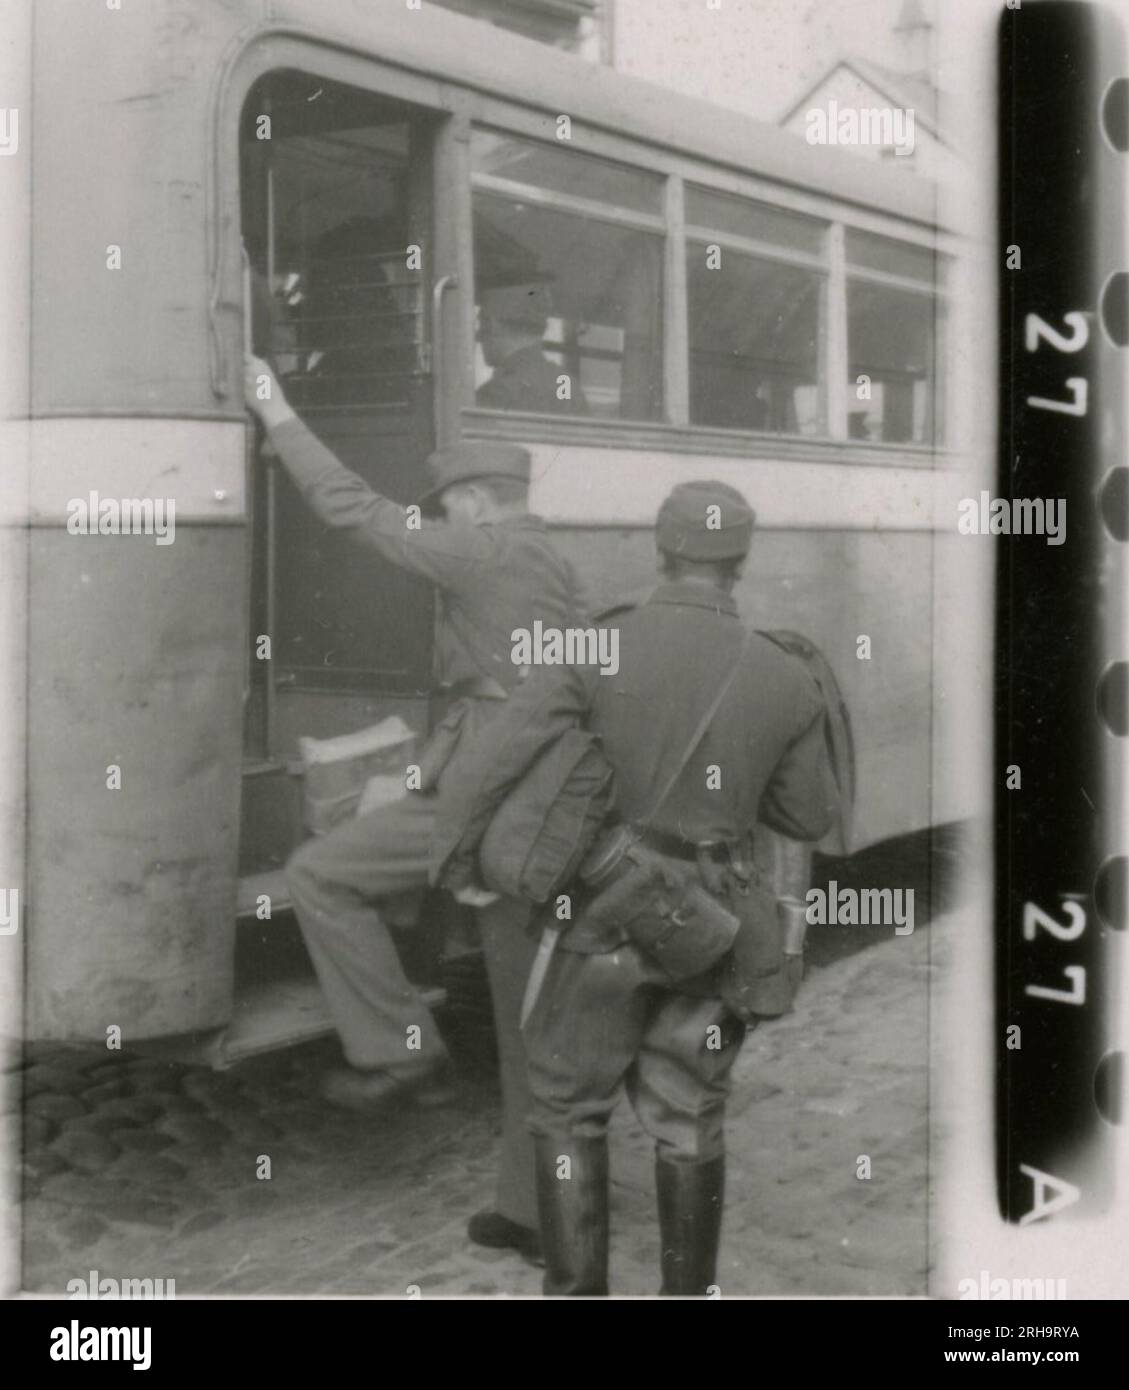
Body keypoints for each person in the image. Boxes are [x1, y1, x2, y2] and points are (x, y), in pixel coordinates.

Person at [429, 481, 839, 1295]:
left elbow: (490, 764)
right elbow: (808, 814)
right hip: (714, 923)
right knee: (689, 1119)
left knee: (565, 1109)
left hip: (598, 915)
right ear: (741, 562)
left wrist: (459, 865)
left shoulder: (592, 645)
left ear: (661, 550)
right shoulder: (786, 675)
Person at [244, 352, 591, 1264]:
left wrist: (275, 410)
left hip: (499, 800)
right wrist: (420, 771)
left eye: (444, 506)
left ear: (472, 501)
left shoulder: (482, 549)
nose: (437, 520)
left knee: (327, 879)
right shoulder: (545, 557)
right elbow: (498, 686)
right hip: (503, 786)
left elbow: (353, 509)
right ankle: (413, 1059)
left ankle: (417, 1067)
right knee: (523, 1016)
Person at [476, 282, 588, 415]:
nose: (478, 335)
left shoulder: (495, 394)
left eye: (481, 323)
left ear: (492, 324)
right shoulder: (568, 386)